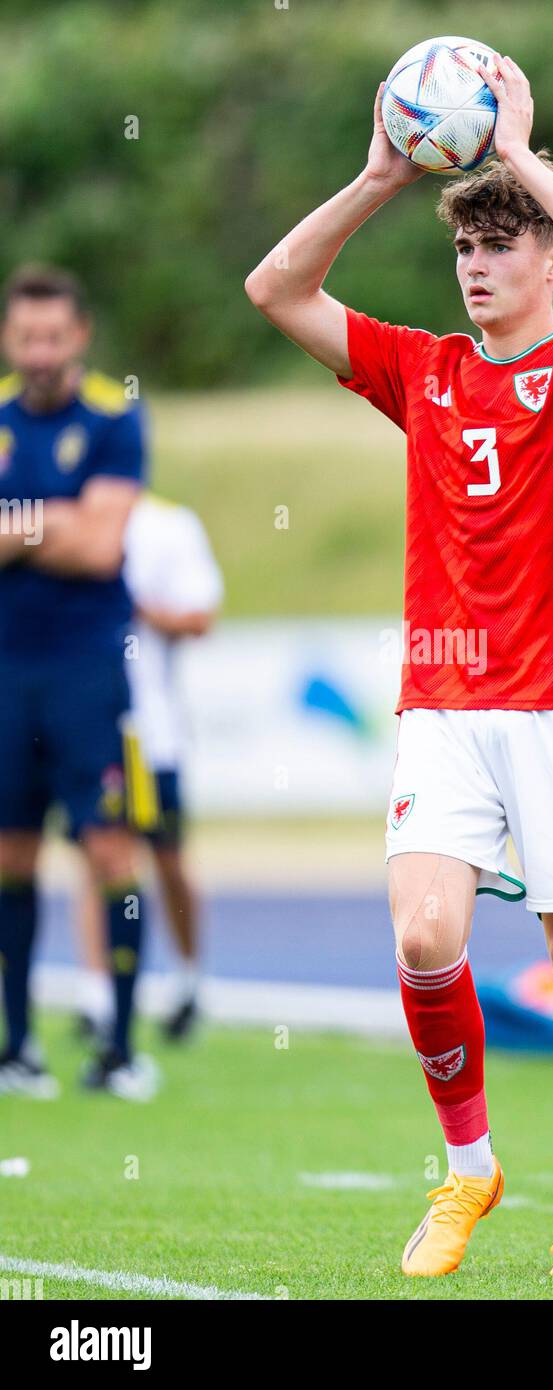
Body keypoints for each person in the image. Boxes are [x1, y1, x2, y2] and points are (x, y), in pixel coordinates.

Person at [246, 54, 553, 1277]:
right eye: (463, 248)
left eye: (501, 246)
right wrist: (380, 173)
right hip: (444, 701)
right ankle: (469, 1170)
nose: (476, 266)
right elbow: (275, 286)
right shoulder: (421, 371)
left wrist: (520, 154)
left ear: (550, 262)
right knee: (424, 937)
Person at [0, 264, 155, 1101]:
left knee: (109, 852)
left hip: (92, 674)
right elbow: (77, 530)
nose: (41, 352)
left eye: (55, 337)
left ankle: (120, 1050)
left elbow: (102, 548)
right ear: (8, 339)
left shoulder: (114, 415)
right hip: (4, 670)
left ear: (80, 336)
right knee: (9, 857)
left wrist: (17, 528)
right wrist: (54, 521)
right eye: (27, 338)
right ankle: (18, 1048)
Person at [76, 493, 223, 1043]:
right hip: (86, 726)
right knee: (96, 854)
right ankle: (98, 997)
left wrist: (131, 604)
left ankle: (187, 980)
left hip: (151, 731)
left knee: (166, 859)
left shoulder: (167, 526)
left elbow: (200, 616)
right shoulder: (66, 518)